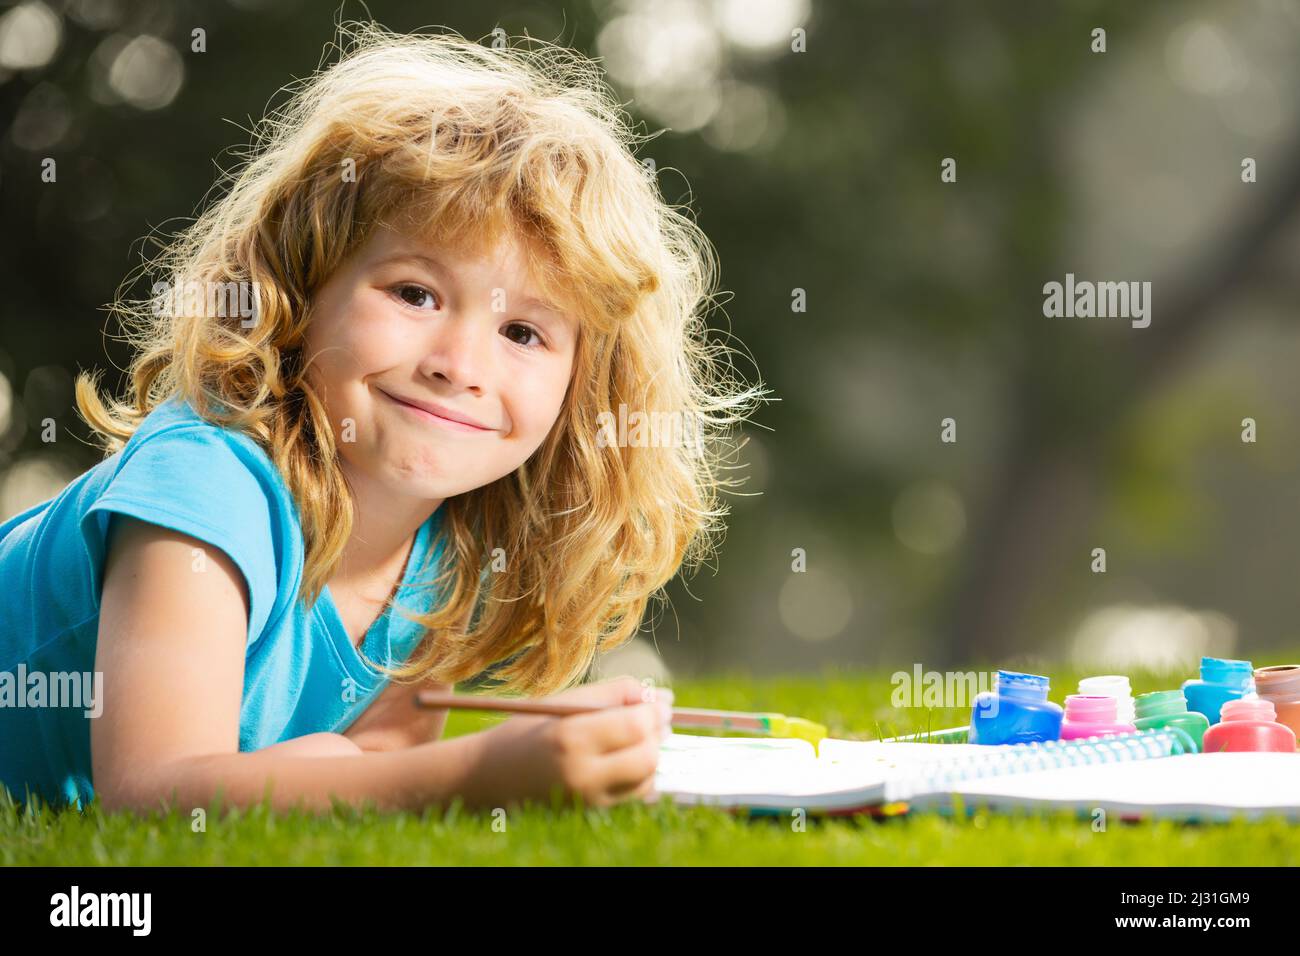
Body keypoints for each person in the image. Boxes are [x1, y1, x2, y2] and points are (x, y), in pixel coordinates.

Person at [0, 23, 766, 815]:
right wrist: (475, 775)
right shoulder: (208, 484)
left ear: (583, 387)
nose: (458, 366)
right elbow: (151, 794)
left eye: (522, 333)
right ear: (301, 287)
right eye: (414, 294)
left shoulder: (449, 553)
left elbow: (368, 784)